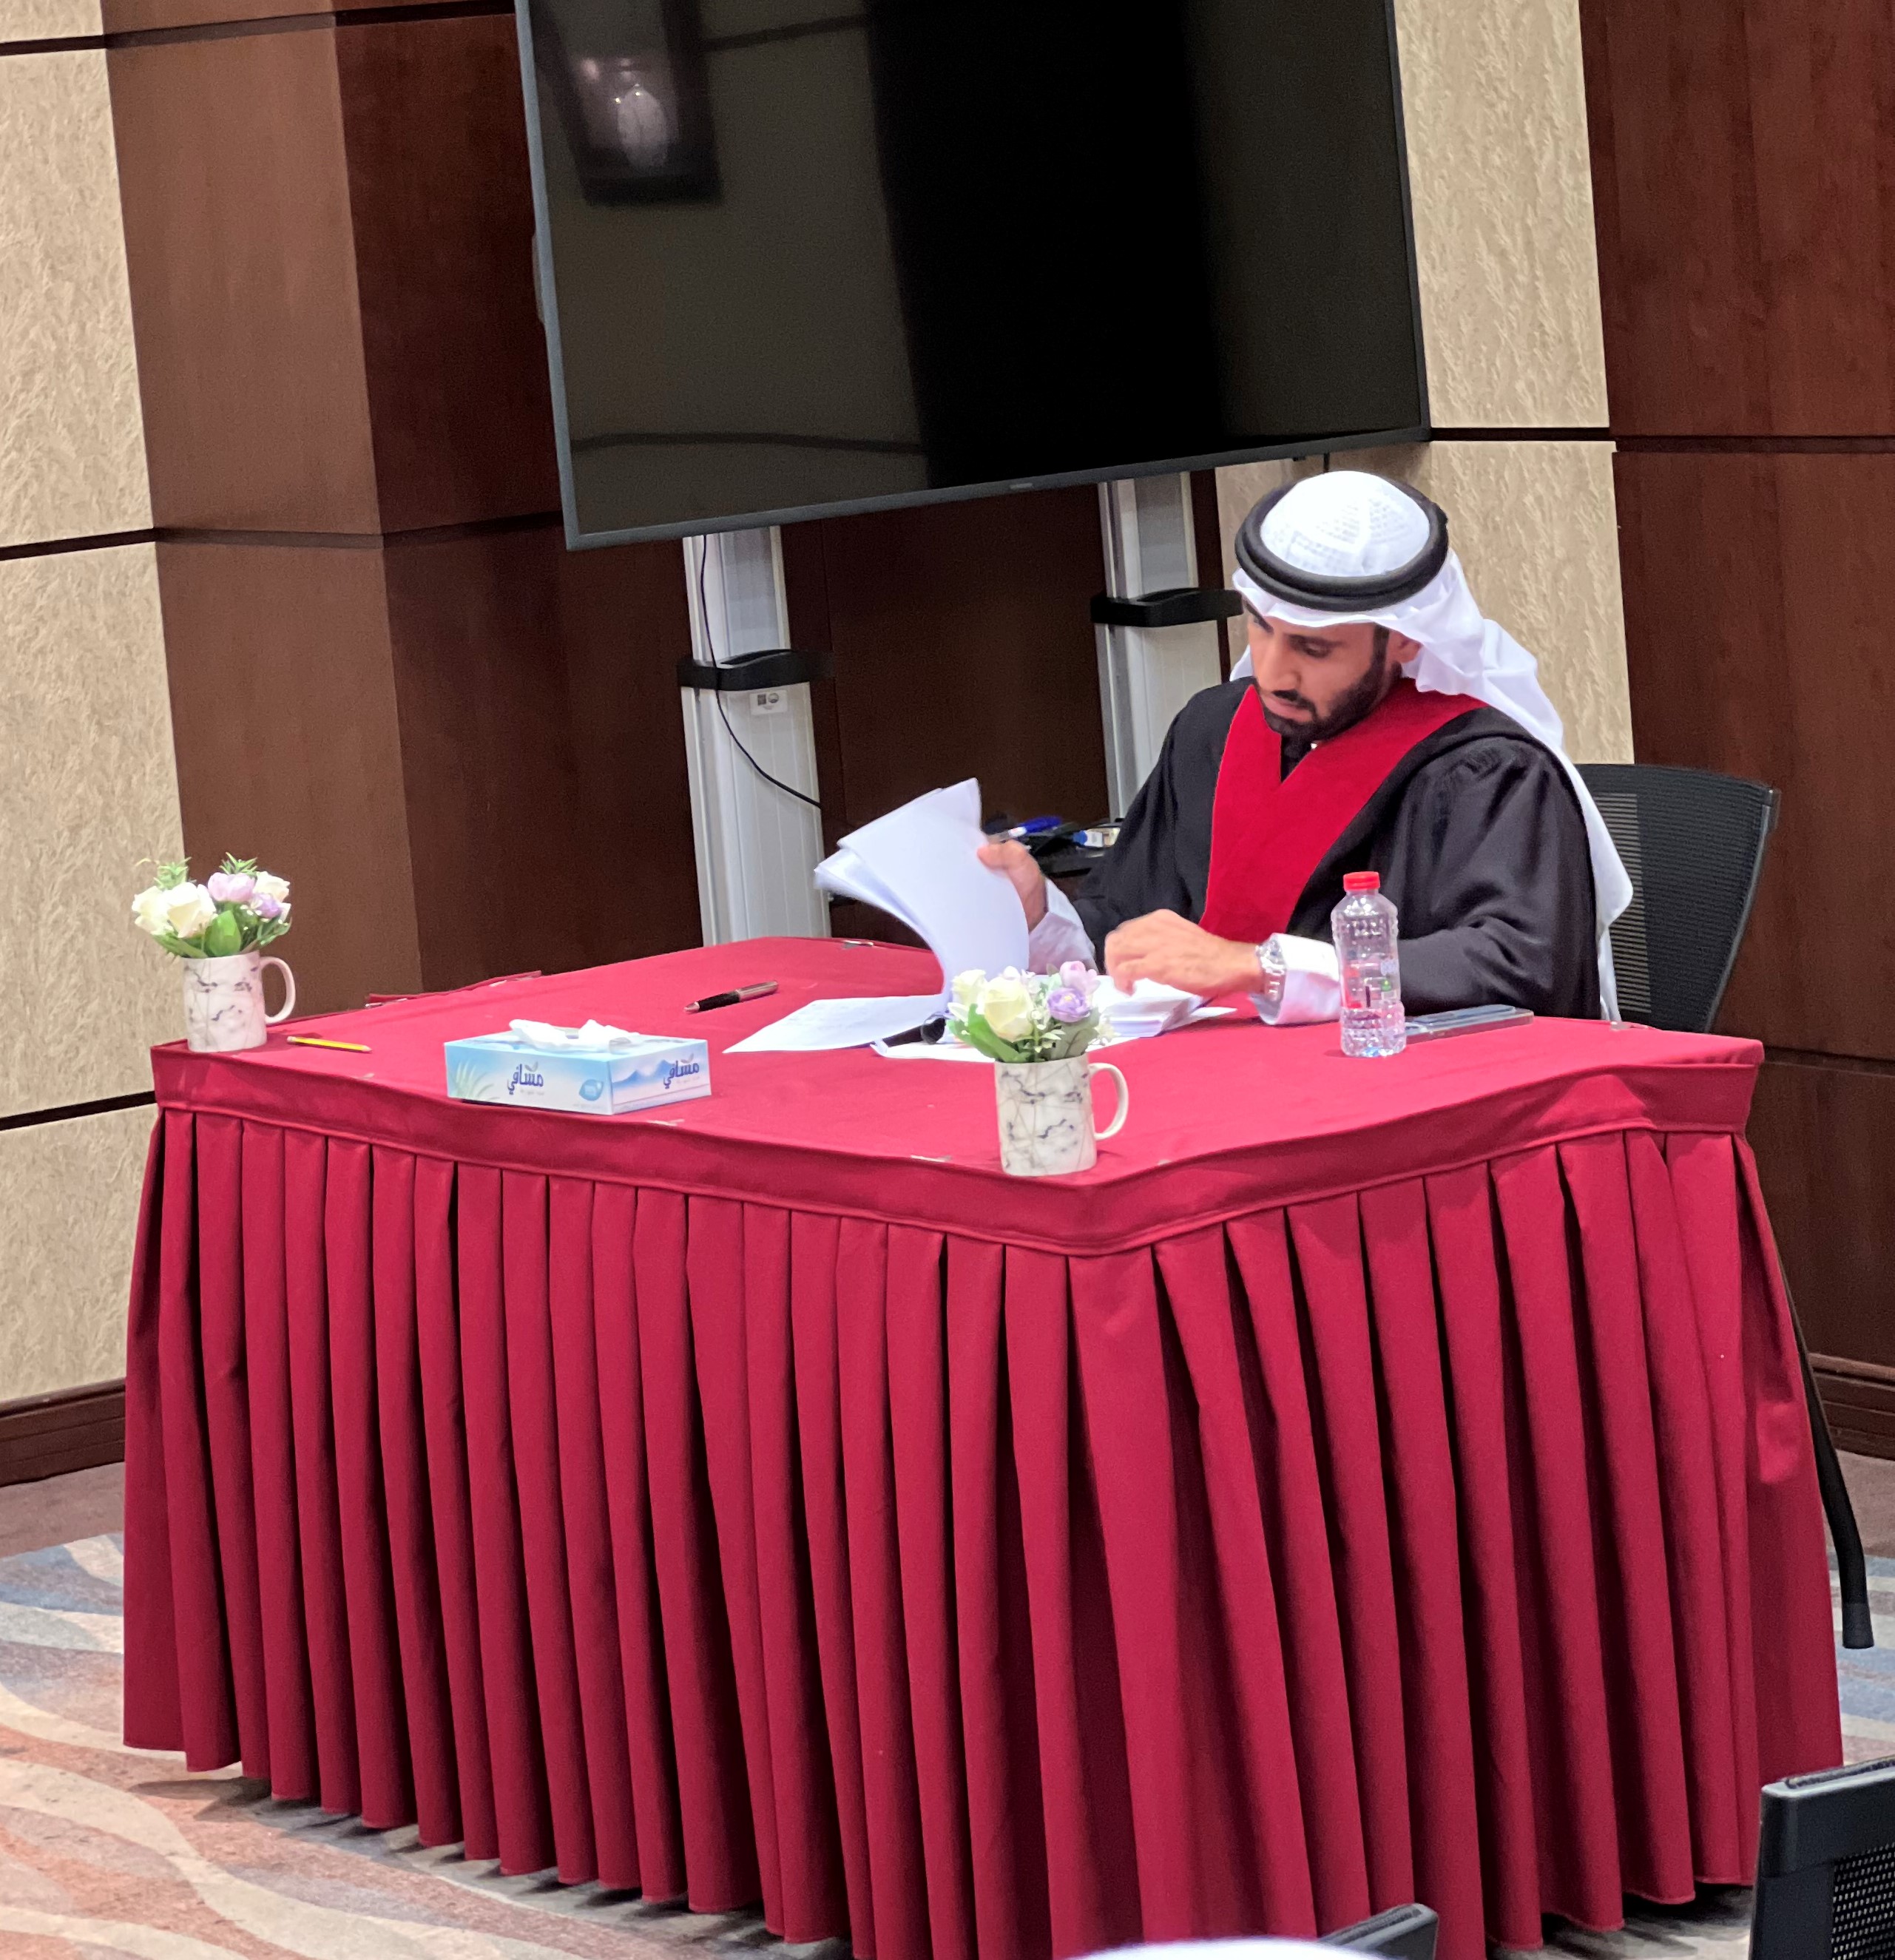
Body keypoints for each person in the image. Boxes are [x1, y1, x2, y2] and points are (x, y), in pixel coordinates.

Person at [981, 470, 1630, 1022]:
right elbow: (1131, 928)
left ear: (1405, 639)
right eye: (1260, 628)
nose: (1273, 673)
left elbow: (1521, 967)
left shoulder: (1486, 772)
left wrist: (1260, 968)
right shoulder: (1212, 730)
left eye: (1313, 649)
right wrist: (1041, 916)